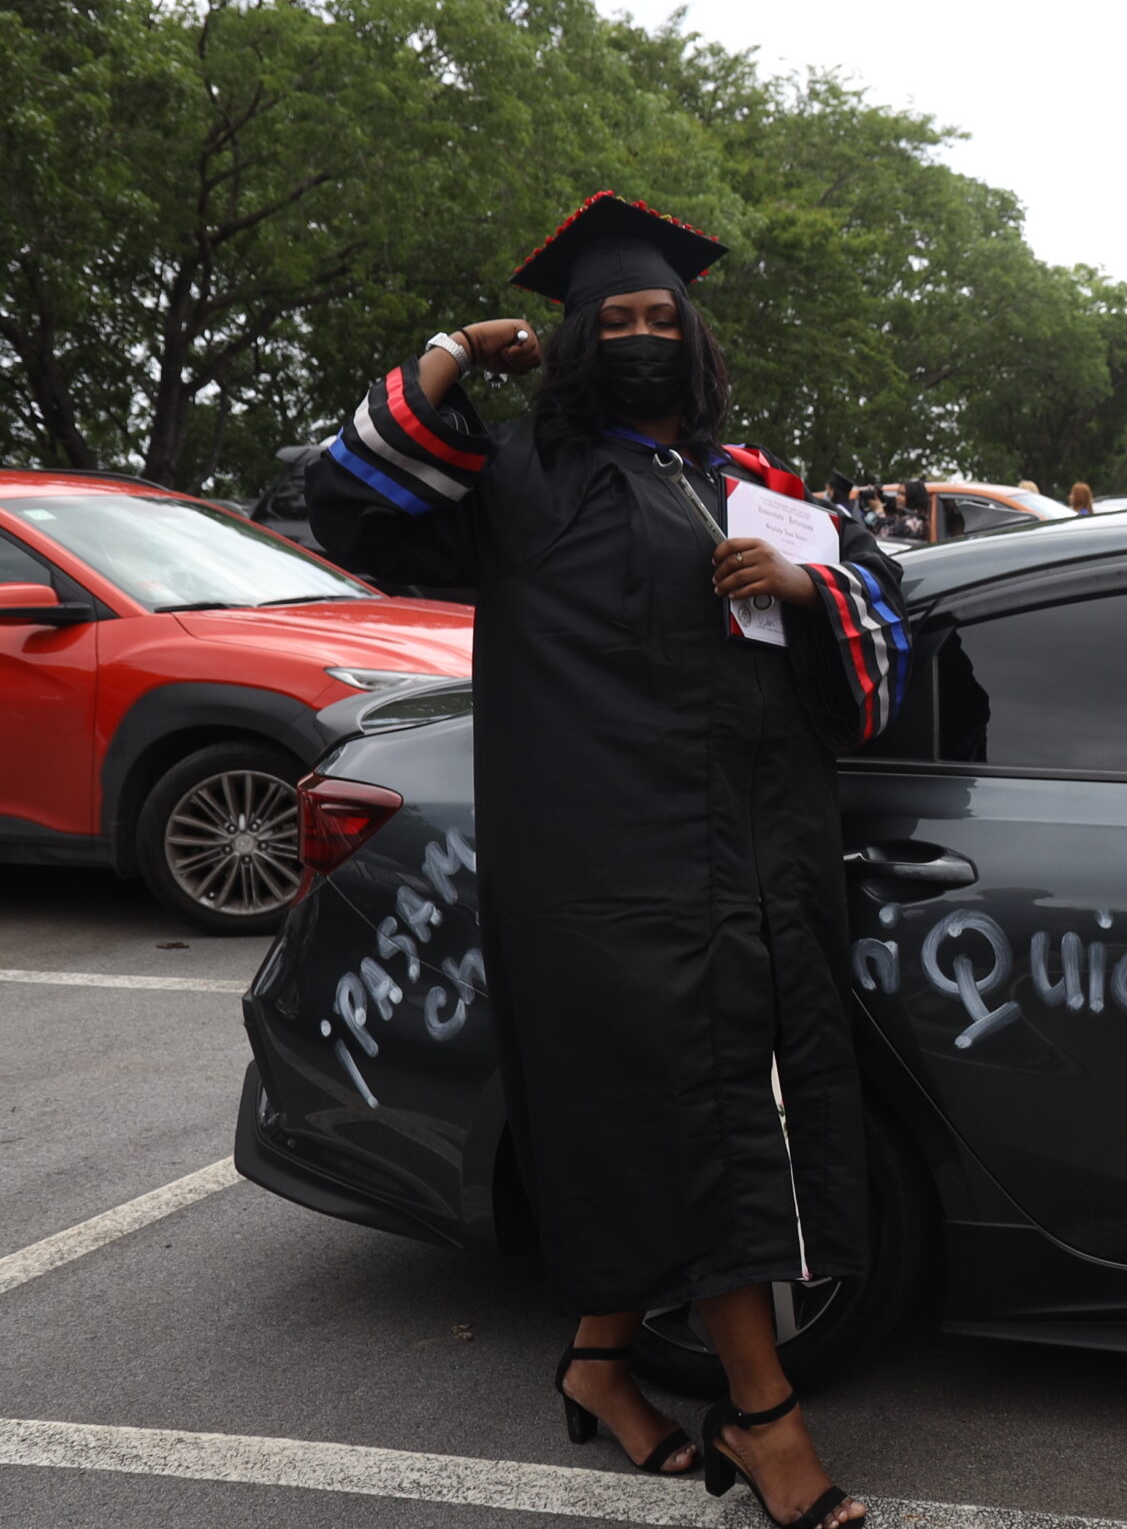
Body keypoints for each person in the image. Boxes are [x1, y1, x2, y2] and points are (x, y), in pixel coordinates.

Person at [308, 192, 904, 1529]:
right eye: (612, 320)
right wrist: (458, 352)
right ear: (574, 344)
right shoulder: (521, 482)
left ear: (695, 339)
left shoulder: (755, 484)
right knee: (703, 1127)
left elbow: (886, 618)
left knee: (676, 1122)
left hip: (757, 854)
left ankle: (599, 1362)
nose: (640, 336)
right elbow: (349, 498)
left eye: (660, 318)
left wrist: (808, 591)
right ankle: (766, 1422)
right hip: (607, 864)